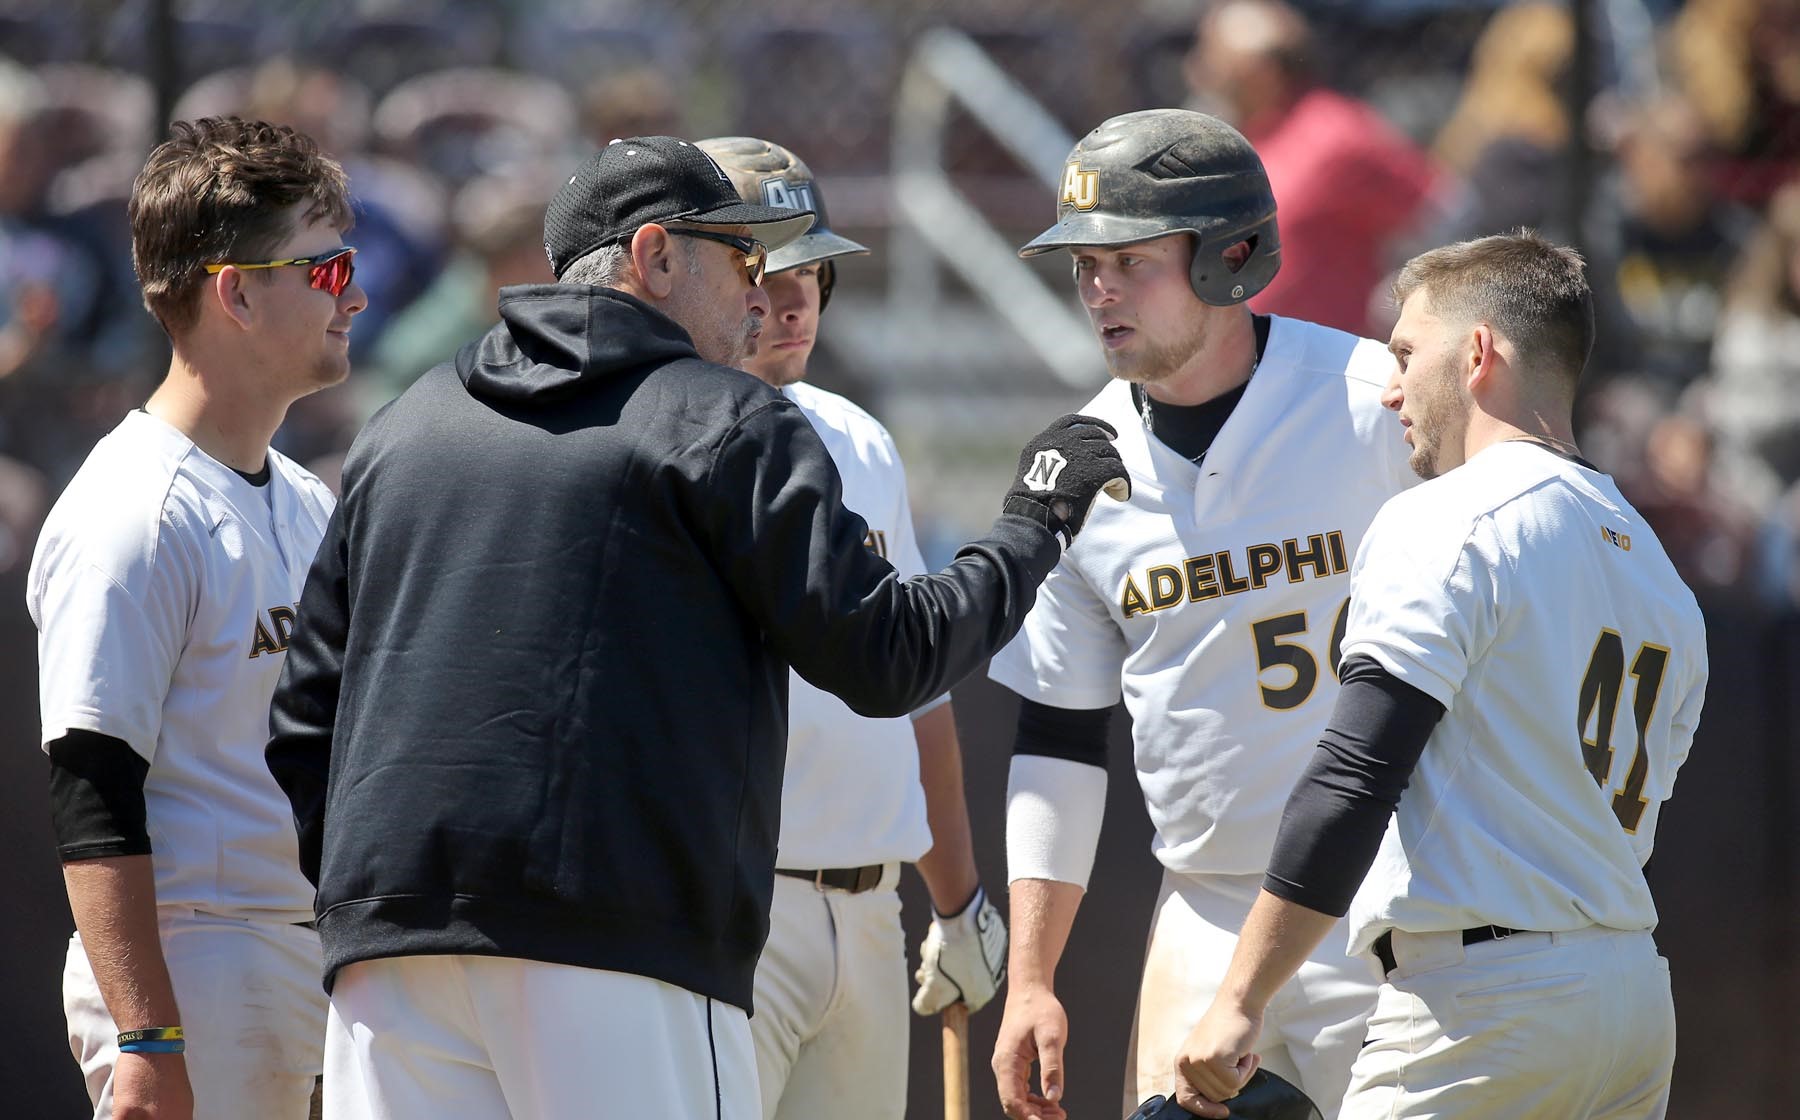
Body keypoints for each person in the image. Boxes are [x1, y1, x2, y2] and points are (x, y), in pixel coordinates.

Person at [263, 135, 1129, 1120]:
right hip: (616, 953)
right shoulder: (720, 416)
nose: (760, 294)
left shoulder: (405, 423)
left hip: (391, 968)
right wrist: (1032, 524)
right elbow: (888, 654)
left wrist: (375, 893)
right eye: (739, 257)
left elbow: (302, 716)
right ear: (655, 257)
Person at [1174, 232, 1708, 1120]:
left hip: (1484, 1009)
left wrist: (1239, 997)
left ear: (1478, 353)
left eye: (1405, 354)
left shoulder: (1449, 516)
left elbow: (1356, 771)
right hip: (1631, 994)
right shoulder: (1657, 567)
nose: (1390, 389)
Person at [988, 107, 1418, 1120]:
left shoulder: (1375, 404)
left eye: (1129, 258)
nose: (1098, 289)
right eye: (1083, 265)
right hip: (1206, 908)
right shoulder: (1076, 466)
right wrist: (1033, 977)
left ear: (1231, 255)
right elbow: (1057, 730)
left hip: (1396, 901)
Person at [26, 116, 366, 1119]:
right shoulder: (131, 509)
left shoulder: (306, 499)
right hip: (196, 962)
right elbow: (91, 786)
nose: (355, 292)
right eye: (330, 268)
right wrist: (145, 1037)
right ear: (238, 291)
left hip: (303, 958)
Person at [695, 135, 1008, 1120]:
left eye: (812, 270)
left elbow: (914, 678)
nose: (794, 299)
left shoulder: (859, 436)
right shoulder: (658, 429)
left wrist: (957, 901)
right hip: (725, 906)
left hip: (871, 906)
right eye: (764, 268)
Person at [1184, 0, 1441, 337]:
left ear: (1263, 71)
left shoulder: (1335, 134)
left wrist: (1402, 306)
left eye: (1214, 60)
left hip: (1329, 363)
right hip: (1242, 361)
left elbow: (1444, 212)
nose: (1197, 71)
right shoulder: (1228, 138)